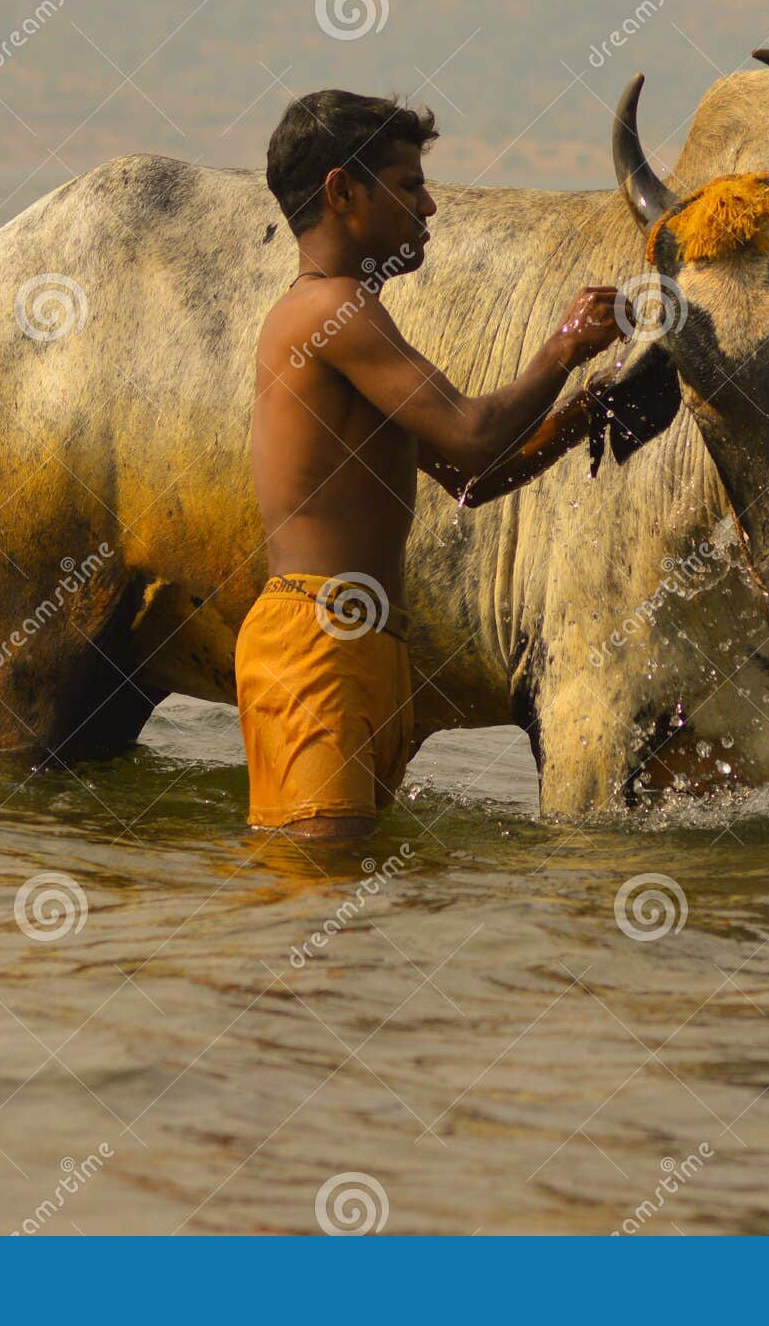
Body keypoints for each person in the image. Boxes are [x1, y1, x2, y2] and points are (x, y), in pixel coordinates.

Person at [238, 89, 621, 839]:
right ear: (343, 192)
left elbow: (471, 479)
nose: (431, 207)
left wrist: (587, 411)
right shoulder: (329, 311)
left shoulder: (351, 316)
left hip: (363, 643)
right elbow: (474, 432)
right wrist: (566, 346)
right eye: (409, 186)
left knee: (346, 898)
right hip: (316, 643)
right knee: (314, 885)